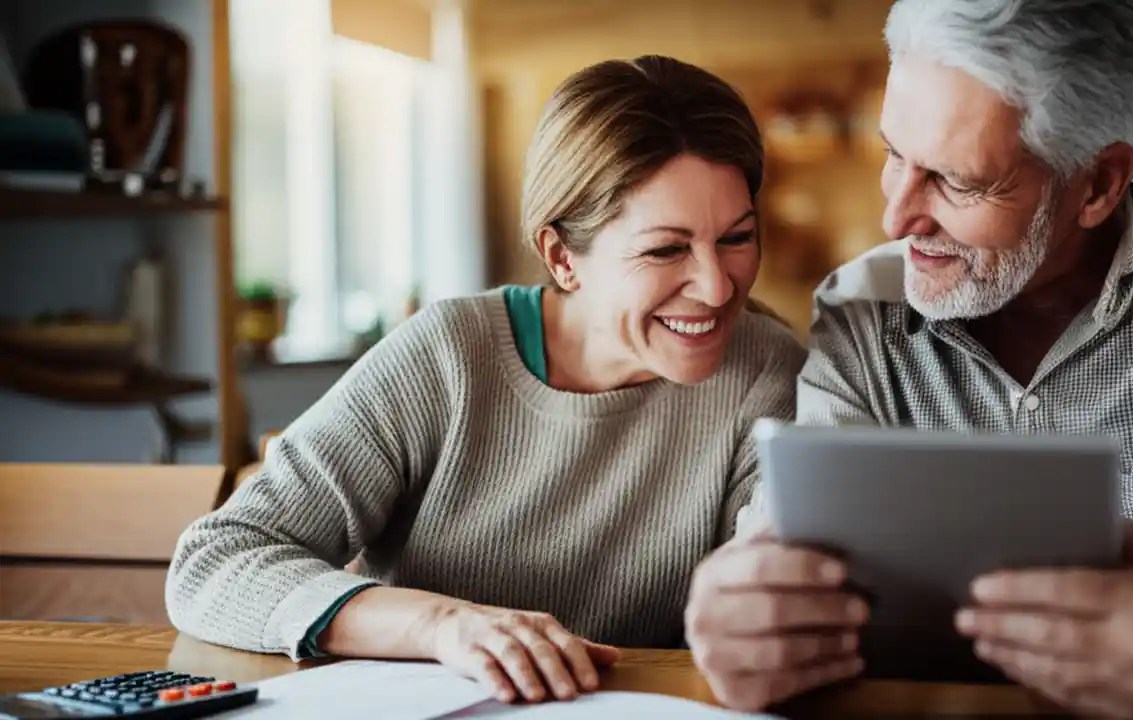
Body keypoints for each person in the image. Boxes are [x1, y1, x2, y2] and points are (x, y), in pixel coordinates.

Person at [685, 1, 1133, 716]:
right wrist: (739, 614)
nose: (896, 219)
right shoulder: (859, 312)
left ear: (1097, 185)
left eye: (957, 180)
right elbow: (778, 556)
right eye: (892, 155)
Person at [167, 55, 805, 706]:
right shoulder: (449, 356)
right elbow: (215, 560)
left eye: (737, 237)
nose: (716, 285)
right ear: (562, 256)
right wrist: (441, 624)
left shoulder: (767, 376)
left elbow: (770, 605)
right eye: (666, 249)